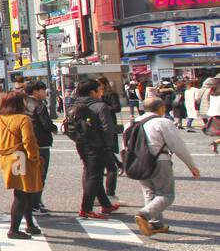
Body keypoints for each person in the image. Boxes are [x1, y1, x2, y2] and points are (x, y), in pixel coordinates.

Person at [128, 97, 201, 236]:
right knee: (166, 194)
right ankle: (143, 214)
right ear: (161, 108)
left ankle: (156, 224)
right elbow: (178, 146)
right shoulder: (163, 122)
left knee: (150, 192)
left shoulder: (132, 123)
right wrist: (191, 166)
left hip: (138, 162)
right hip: (159, 160)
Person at [0, 90, 43, 240]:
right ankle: (14, 229)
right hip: (22, 158)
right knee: (22, 193)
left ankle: (30, 224)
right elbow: (29, 141)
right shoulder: (23, 119)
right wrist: (35, 158)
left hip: (8, 158)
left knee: (24, 192)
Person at [67, 79, 119, 219]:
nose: (101, 92)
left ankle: (106, 204)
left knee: (92, 173)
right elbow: (107, 128)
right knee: (94, 176)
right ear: (93, 92)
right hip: (98, 145)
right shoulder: (100, 106)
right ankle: (86, 208)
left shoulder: (74, 105)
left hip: (81, 143)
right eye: (99, 89)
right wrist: (108, 146)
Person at [22, 81, 57, 214]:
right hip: (41, 143)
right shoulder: (39, 106)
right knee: (40, 174)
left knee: (30, 174)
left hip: (27, 142)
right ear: (35, 91)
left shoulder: (23, 103)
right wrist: (54, 129)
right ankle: (35, 204)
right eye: (43, 90)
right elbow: (46, 124)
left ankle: (32, 201)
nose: (45, 93)